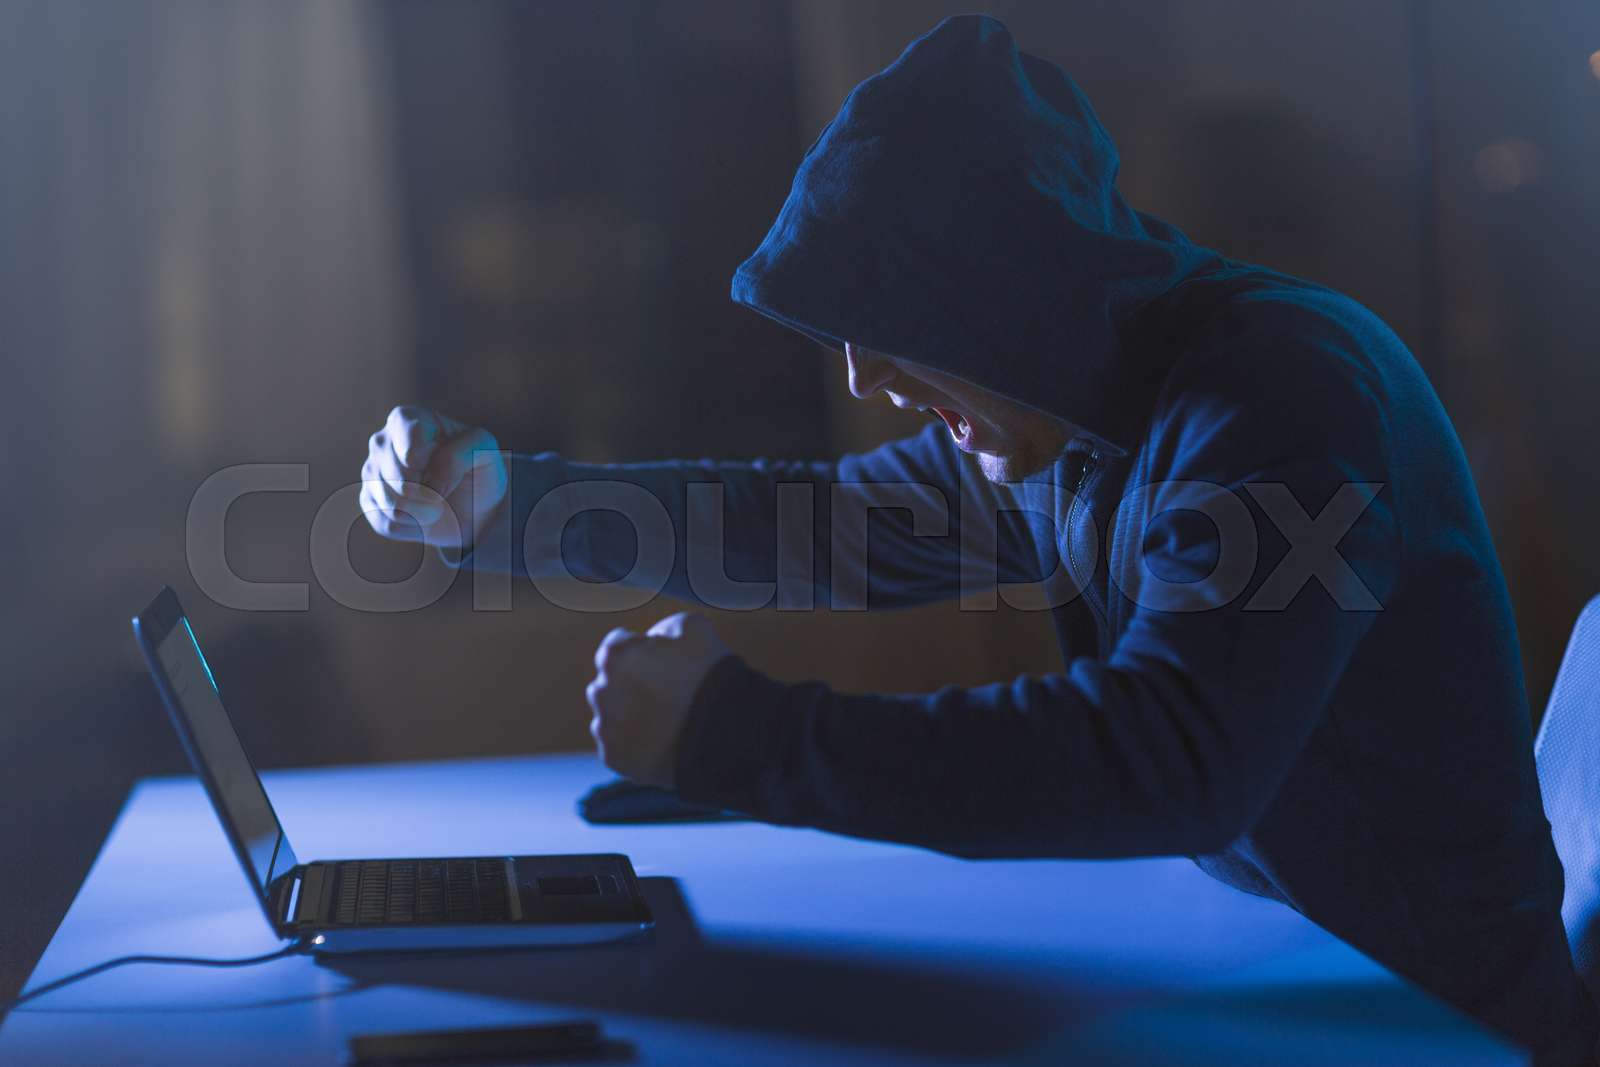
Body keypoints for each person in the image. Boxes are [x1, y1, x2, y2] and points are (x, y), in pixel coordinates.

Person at [359, 15, 1596, 1064]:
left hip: (1444, 1026)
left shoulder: (1283, 405)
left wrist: (739, 735)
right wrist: (500, 503)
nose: (864, 371)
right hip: (1300, 971)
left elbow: (1168, 759)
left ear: (1013, 290)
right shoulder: (1072, 415)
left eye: (895, 319)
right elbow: (816, 526)